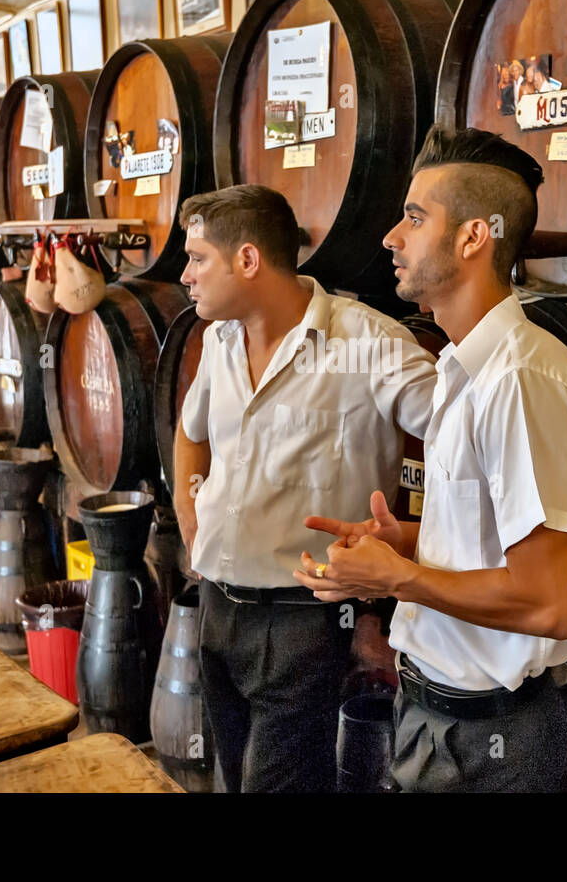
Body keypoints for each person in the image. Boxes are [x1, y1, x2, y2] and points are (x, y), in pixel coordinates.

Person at [297, 126, 567, 792]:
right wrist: (403, 545)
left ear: (474, 237)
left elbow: (549, 604)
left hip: (491, 745)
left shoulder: (521, 383)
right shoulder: (464, 369)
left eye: (414, 218)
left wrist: (398, 579)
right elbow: (496, 549)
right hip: (436, 718)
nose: (391, 236)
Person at [173, 184, 437, 792]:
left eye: (198, 259)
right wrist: (192, 524)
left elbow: (468, 446)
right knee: (230, 780)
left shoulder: (369, 345)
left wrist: (407, 553)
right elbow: (190, 433)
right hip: (216, 607)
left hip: (303, 619)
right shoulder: (219, 339)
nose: (185, 275)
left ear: (247, 260)